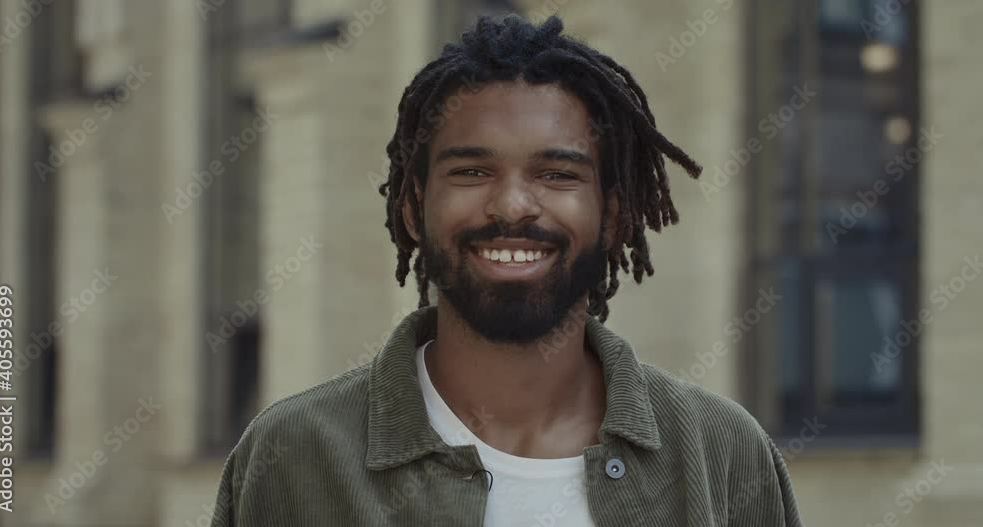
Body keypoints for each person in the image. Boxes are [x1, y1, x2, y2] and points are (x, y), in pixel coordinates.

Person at [210, 14, 804, 527]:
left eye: (557, 174)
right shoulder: (292, 455)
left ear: (614, 216)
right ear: (414, 207)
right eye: (471, 172)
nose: (513, 205)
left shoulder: (721, 451)